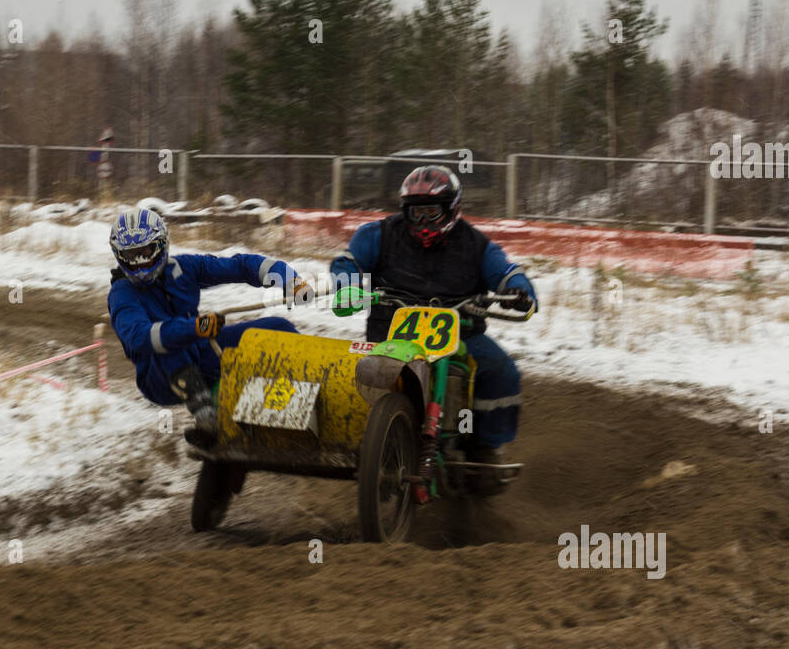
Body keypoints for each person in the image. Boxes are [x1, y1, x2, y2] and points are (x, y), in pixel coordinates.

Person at [329, 165, 537, 464]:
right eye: (416, 213)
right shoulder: (378, 234)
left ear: (452, 210)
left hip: (459, 333)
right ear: (405, 211)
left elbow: (506, 272)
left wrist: (520, 292)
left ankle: (486, 448)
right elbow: (347, 261)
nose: (423, 221)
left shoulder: (478, 246)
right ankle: (362, 432)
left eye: (431, 212)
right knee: (353, 372)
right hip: (390, 333)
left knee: (501, 371)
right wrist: (346, 285)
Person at [106, 207, 312, 444]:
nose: (140, 263)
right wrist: (194, 327)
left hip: (200, 354)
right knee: (170, 344)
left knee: (278, 327)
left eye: (145, 252)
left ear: (162, 245)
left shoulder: (184, 268)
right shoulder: (122, 293)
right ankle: (207, 421)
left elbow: (240, 266)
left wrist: (288, 279)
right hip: (160, 378)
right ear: (119, 256)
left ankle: (308, 391)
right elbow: (140, 337)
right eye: (131, 256)